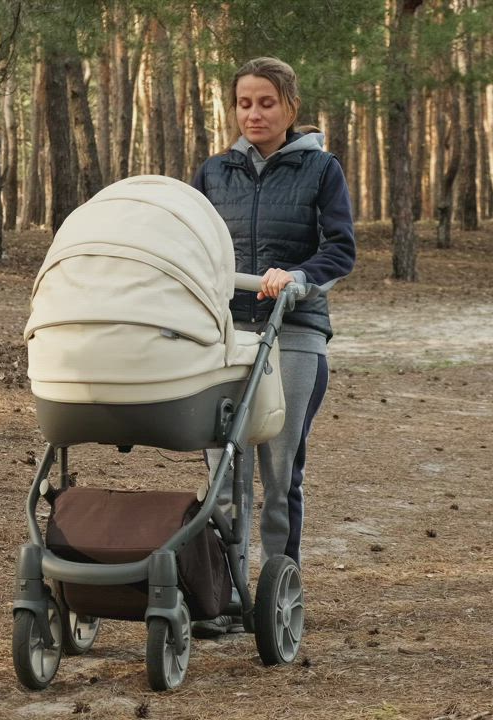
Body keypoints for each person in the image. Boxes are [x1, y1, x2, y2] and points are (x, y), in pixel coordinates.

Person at [189, 57, 355, 635]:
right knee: (221, 469)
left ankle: (278, 591)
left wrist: (299, 277)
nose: (254, 114)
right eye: (244, 103)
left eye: (266, 102)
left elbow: (340, 248)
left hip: (294, 330)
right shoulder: (214, 172)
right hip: (226, 334)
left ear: (290, 106)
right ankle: (222, 595)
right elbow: (192, 245)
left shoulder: (321, 169)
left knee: (279, 472)